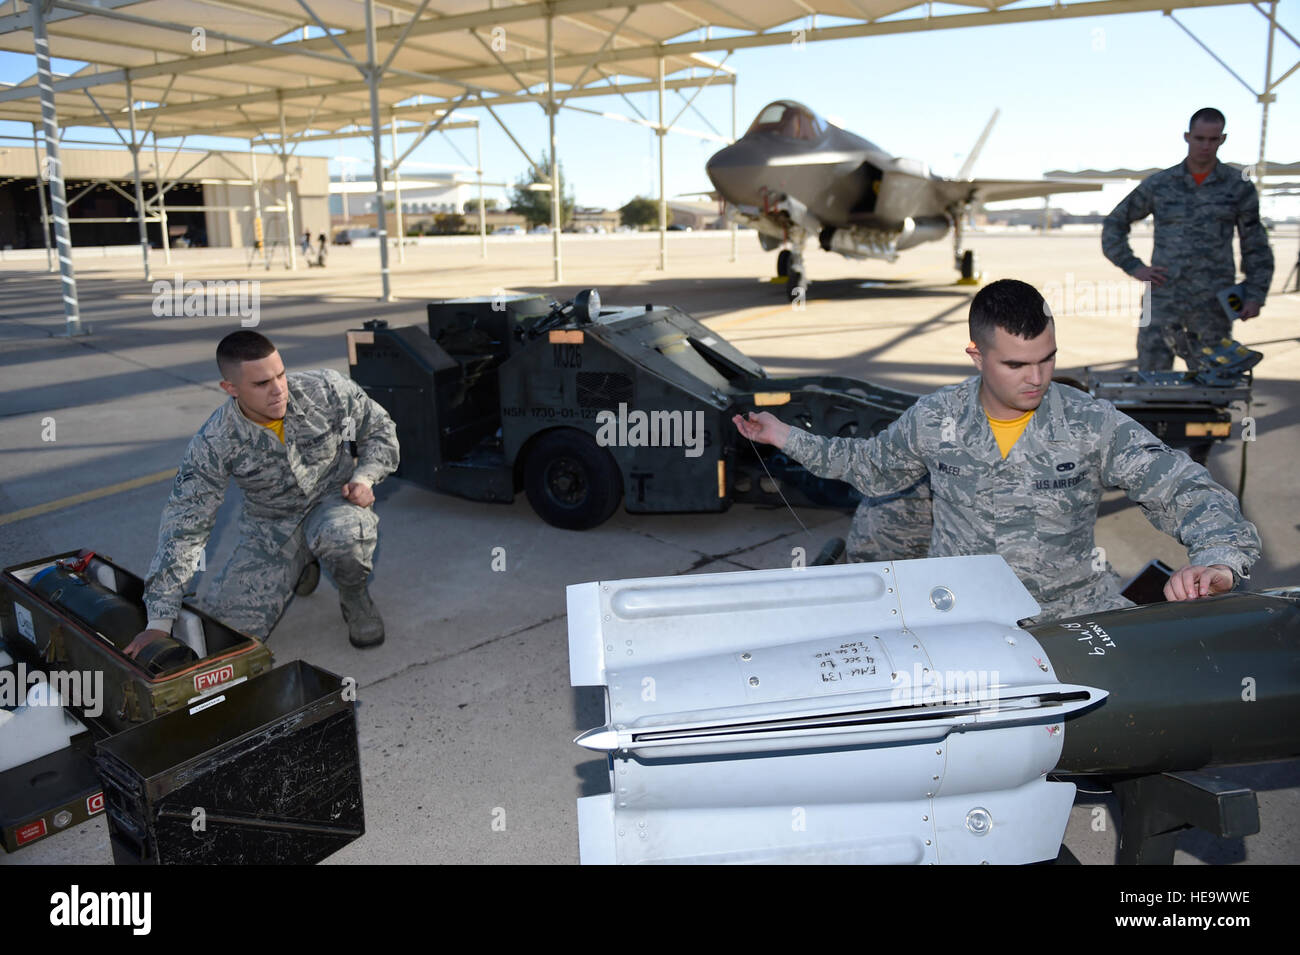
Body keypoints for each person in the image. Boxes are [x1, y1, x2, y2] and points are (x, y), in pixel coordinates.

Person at [733, 279, 1260, 621]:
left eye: (1048, 359)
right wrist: (784, 435)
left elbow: (1184, 487)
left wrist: (1217, 563)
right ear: (976, 355)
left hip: (1066, 609)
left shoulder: (1088, 420)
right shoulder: (935, 417)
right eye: (1015, 365)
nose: (1036, 379)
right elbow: (869, 468)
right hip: (956, 609)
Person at [129, 330, 400, 651]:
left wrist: (365, 477)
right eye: (261, 384)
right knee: (229, 635)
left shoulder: (327, 390)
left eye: (280, 374)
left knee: (344, 536)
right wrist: (159, 620)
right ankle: (301, 560)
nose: (278, 390)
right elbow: (185, 526)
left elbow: (380, 430)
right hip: (271, 528)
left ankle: (355, 597)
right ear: (230, 389)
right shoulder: (216, 440)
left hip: (334, 502)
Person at [1102, 107, 1274, 371]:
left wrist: (1255, 294)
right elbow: (1114, 224)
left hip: (1213, 302)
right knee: (1153, 379)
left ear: (1222, 139)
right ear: (1187, 136)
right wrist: (1134, 266)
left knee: (1214, 380)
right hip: (1164, 298)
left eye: (1213, 139)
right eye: (1199, 138)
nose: (1206, 146)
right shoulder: (1160, 184)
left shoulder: (1237, 186)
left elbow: (1255, 245)